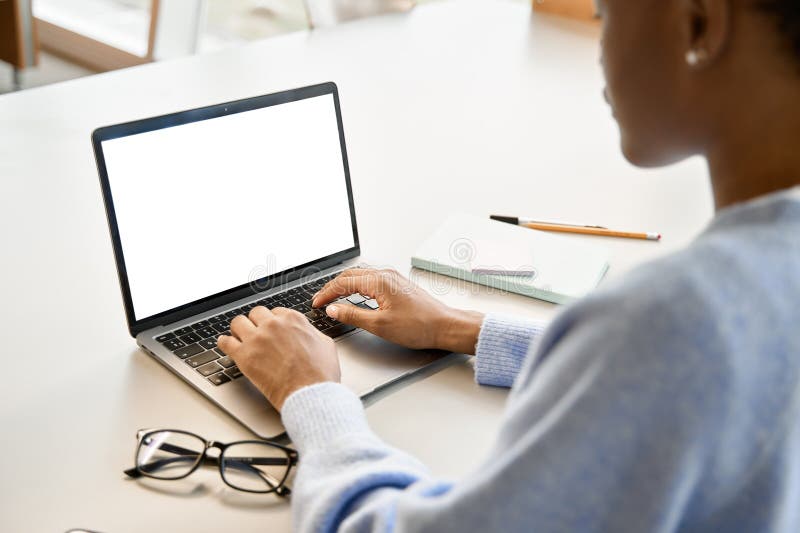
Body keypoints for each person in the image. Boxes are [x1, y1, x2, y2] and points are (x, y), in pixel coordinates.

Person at [217, 0, 800, 530]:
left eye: (604, 12)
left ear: (699, 22)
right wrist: (458, 327)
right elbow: (657, 372)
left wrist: (311, 394)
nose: (599, 43)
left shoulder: (670, 321)